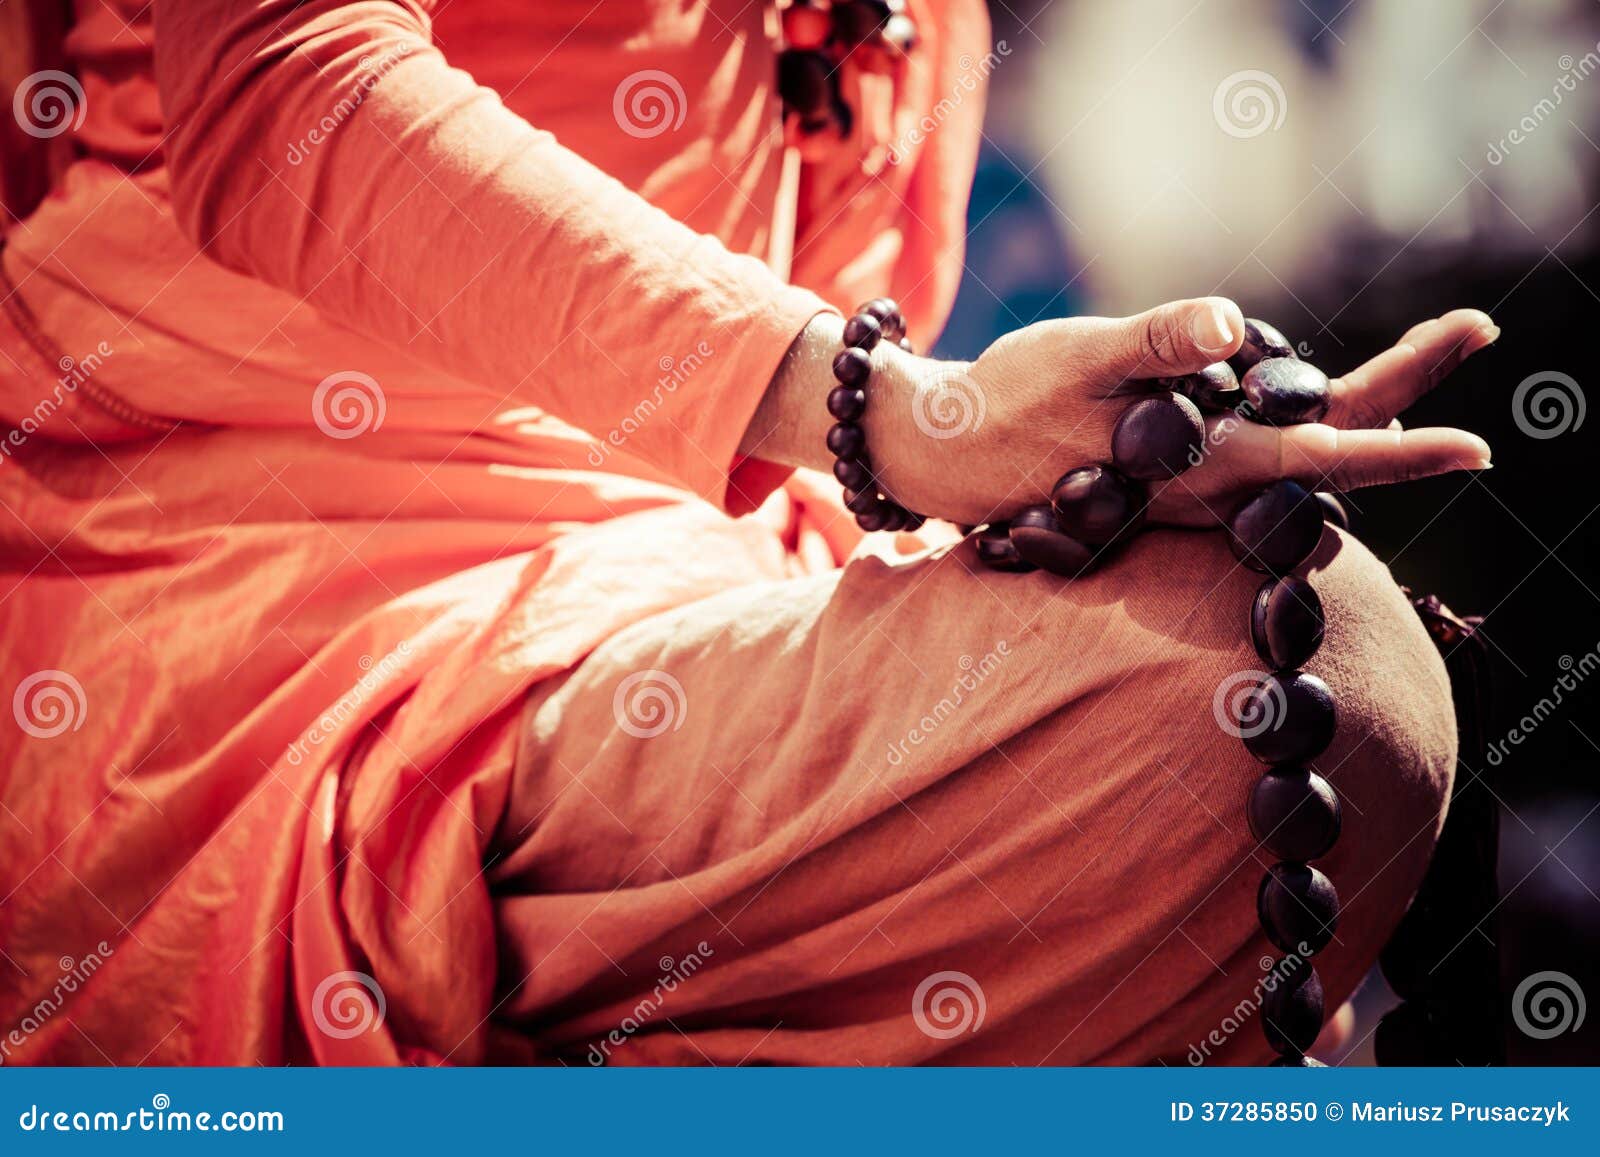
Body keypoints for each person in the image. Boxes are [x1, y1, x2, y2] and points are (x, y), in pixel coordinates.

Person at [0, 0, 1495, 1065]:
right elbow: (281, 79)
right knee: (1276, 714)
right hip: (268, 590)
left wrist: (1075, 497)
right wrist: (897, 419)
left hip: (681, 588)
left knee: (1281, 667)